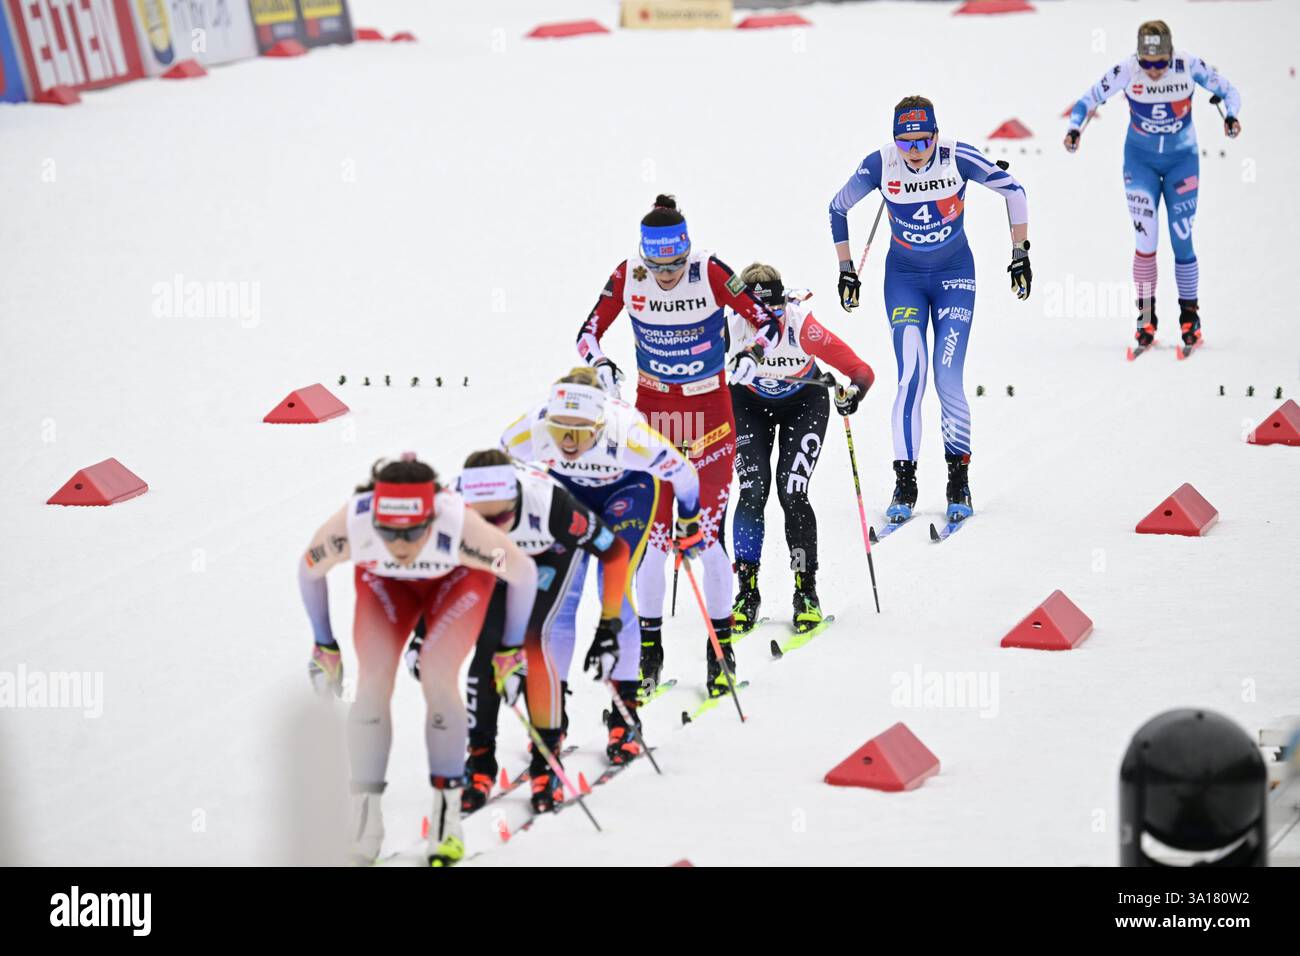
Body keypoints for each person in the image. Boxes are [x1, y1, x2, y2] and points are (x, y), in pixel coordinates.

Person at [576, 194, 783, 695]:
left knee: (704, 539)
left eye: (673, 264)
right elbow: (586, 334)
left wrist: (753, 354)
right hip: (654, 421)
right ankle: (650, 653)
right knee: (653, 543)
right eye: (656, 265)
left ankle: (721, 653)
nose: (665, 275)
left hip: (710, 418)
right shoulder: (629, 276)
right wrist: (600, 364)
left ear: (685, 252)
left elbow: (770, 322)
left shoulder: (710, 272)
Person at [298, 454, 537, 867]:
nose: (401, 545)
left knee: (438, 673)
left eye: (414, 532)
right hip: (385, 586)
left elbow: (524, 573)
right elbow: (309, 569)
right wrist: (325, 645)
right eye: (389, 532)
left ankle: (447, 817)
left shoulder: (461, 526)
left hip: (457, 581)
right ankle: (365, 818)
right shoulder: (352, 526)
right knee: (372, 683)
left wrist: (510, 649)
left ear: (432, 517)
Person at [830, 96, 1031, 525]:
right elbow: (837, 207)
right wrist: (846, 269)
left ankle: (958, 480)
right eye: (905, 142)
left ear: (936, 134)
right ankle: (906, 482)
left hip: (954, 277)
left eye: (923, 140)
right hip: (903, 280)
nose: (915, 150)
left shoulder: (956, 156)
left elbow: (1013, 191)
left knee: (946, 375)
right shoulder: (881, 164)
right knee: (911, 376)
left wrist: (1020, 254)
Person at [404, 449, 631, 814]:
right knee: (488, 648)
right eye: (484, 520)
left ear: (517, 498)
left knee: (533, 641)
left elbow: (615, 553)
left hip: (548, 556)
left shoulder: (551, 504)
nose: (497, 526)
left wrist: (609, 625)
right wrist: (420, 634)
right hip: (492, 563)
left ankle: (547, 757)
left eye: (504, 516)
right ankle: (480, 761)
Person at [501, 368, 704, 756]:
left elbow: (683, 472)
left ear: (601, 423)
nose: (570, 442)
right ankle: (552, 719)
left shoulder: (628, 434)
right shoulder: (530, 429)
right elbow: (503, 469)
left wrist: (689, 519)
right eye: (560, 430)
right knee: (560, 601)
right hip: (569, 495)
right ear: (548, 419)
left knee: (613, 590)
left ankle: (625, 714)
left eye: (581, 432)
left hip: (626, 493)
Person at [1063, 19, 1241, 353]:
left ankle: (1190, 319)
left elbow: (1229, 91)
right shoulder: (1128, 70)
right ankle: (1145, 321)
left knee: (1182, 238)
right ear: (1139, 57)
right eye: (1148, 63)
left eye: (1160, 63)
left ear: (1170, 54)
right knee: (1146, 241)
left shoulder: (1187, 65)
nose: (1155, 70)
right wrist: (1075, 130)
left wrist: (1231, 116)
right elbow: (1087, 100)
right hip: (1140, 163)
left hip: (1182, 162)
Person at [726, 263, 876, 634]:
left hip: (803, 403)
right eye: (759, 315)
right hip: (748, 405)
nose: (769, 322)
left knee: (791, 491)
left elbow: (862, 371)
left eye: (775, 311)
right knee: (752, 490)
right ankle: (747, 591)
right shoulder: (729, 329)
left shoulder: (801, 325)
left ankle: (805, 590)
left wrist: (851, 394)